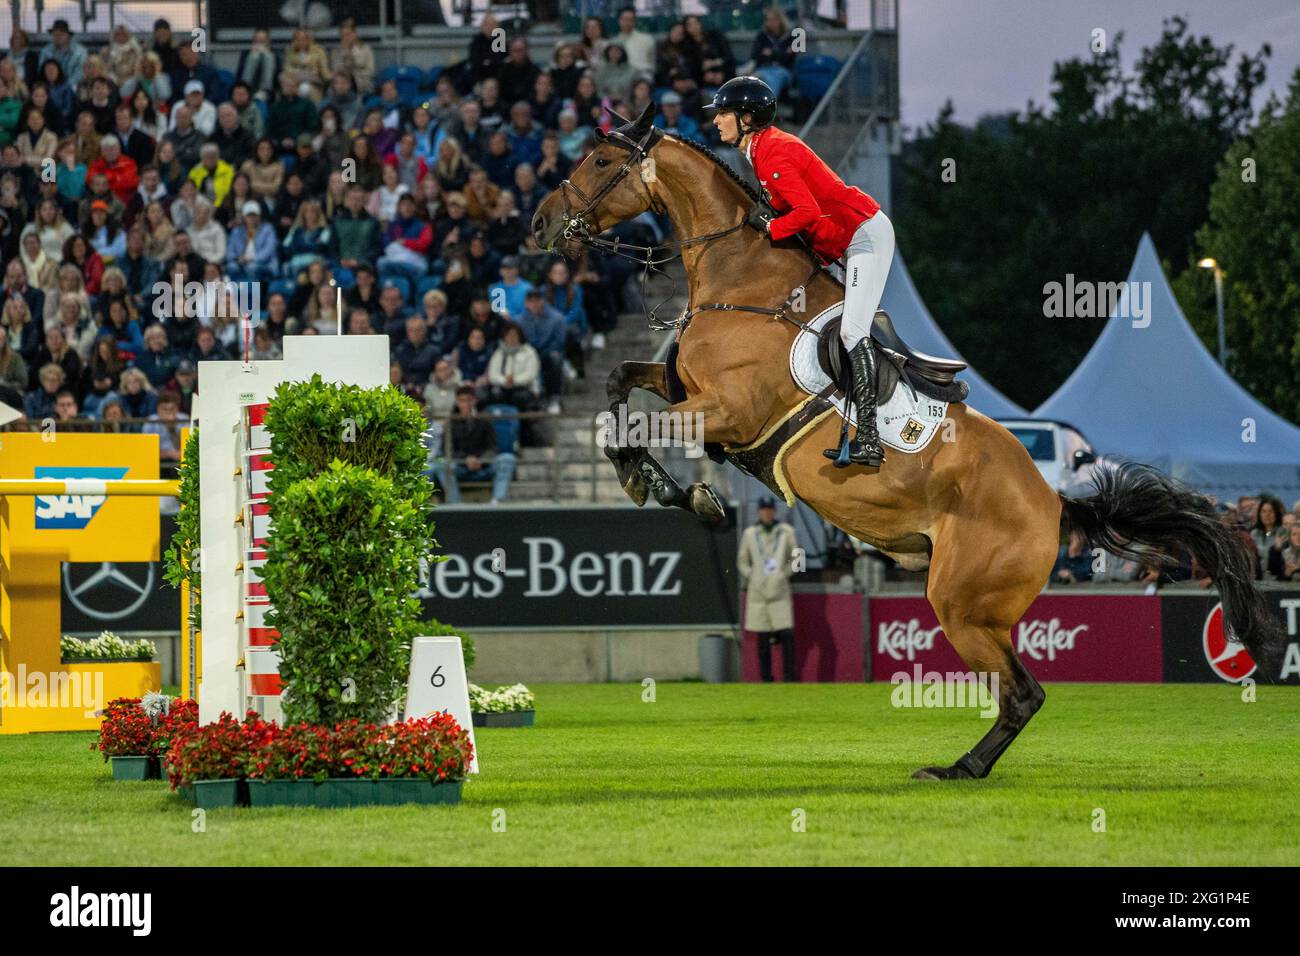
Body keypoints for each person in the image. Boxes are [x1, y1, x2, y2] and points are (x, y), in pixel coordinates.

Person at [706, 75, 889, 467]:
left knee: (852, 330)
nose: (716, 120)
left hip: (862, 236)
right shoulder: (758, 150)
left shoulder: (773, 150)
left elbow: (805, 212)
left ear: (747, 118)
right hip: (838, 244)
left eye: (723, 113)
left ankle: (871, 437)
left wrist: (770, 228)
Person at [738, 498, 799, 682]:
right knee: (762, 638)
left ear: (775, 511)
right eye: (764, 510)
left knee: (786, 635)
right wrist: (751, 576)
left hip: (779, 590)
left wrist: (784, 574)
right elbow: (742, 561)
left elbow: (797, 558)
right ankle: (766, 677)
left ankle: (789, 676)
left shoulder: (786, 532)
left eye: (770, 510)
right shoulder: (750, 534)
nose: (767, 513)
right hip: (758, 592)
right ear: (759, 512)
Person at [430, 385, 518, 504]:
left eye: (469, 400)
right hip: (460, 467)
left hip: (484, 467)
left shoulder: (485, 419)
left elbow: (493, 448)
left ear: (475, 401)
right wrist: (465, 459)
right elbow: (447, 450)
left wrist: (481, 460)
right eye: (462, 400)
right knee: (441, 464)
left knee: (508, 459)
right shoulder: (450, 422)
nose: (466, 404)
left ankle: (497, 501)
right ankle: (456, 504)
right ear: (457, 402)